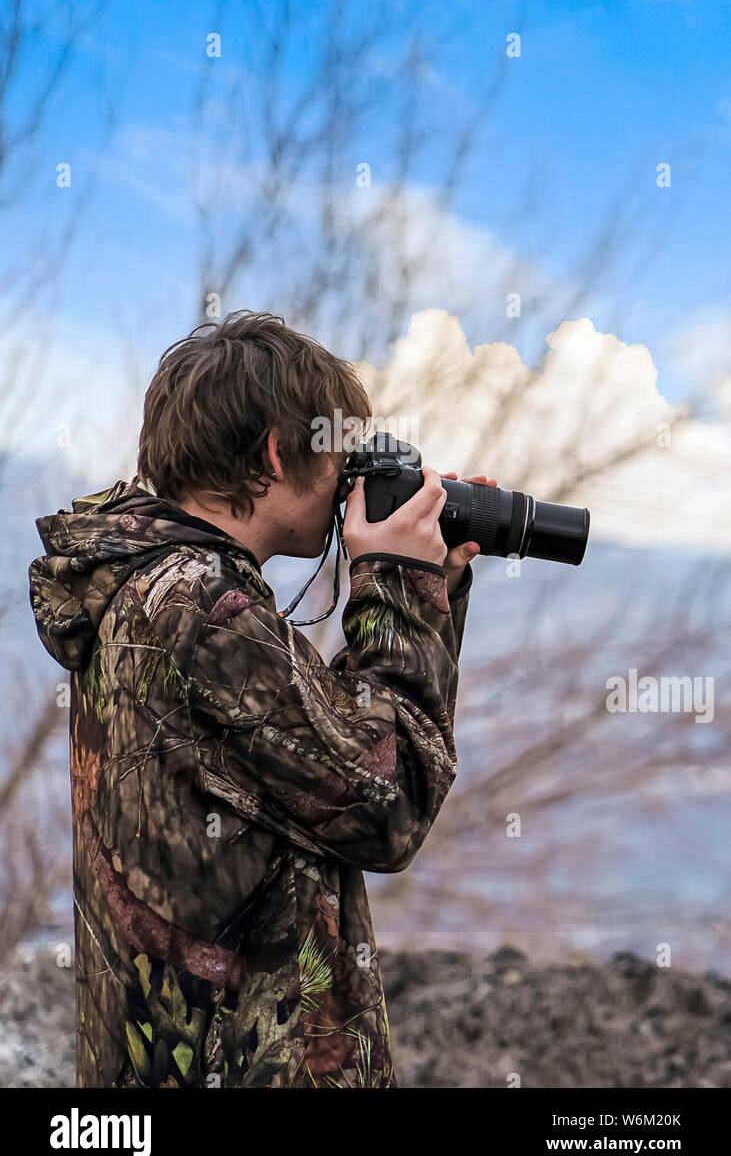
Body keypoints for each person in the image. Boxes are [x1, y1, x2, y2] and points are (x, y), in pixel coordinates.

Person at [29, 310, 489, 1089]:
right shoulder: (202, 606)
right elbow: (388, 803)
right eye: (342, 457)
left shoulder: (152, 585)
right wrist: (395, 590)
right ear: (280, 451)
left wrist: (427, 590)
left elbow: (318, 750)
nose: (351, 484)